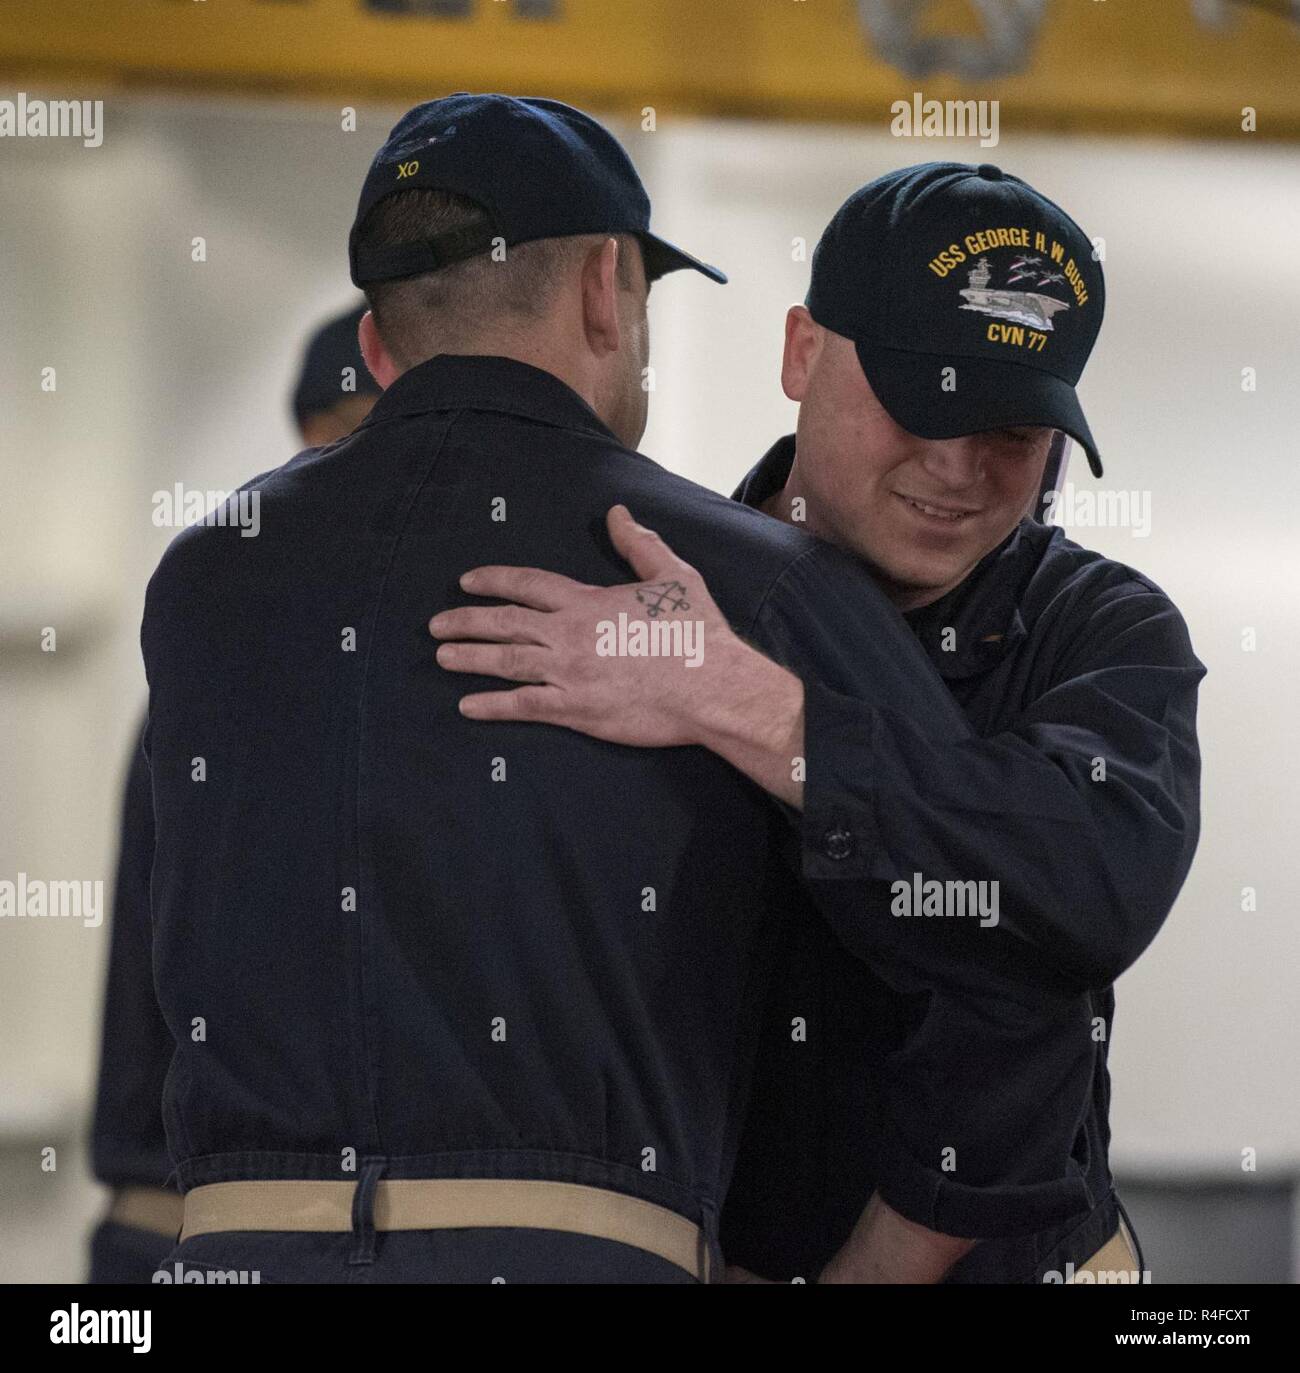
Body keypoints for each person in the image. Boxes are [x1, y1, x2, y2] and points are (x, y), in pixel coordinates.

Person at [137, 98, 1101, 1283]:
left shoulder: (200, 580)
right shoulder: (750, 587)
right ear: (608, 285)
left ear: (381, 333)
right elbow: (1004, 957)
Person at [428, 162, 1207, 1282]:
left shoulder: (1100, 626)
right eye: (918, 402)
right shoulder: (633, 592)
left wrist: (743, 703)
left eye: (1010, 431)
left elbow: (1077, 895)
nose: (956, 469)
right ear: (800, 351)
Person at [86, 304, 380, 1283]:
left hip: (188, 1228)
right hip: (220, 1234)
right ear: (317, 438)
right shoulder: (280, 678)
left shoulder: (222, 665)